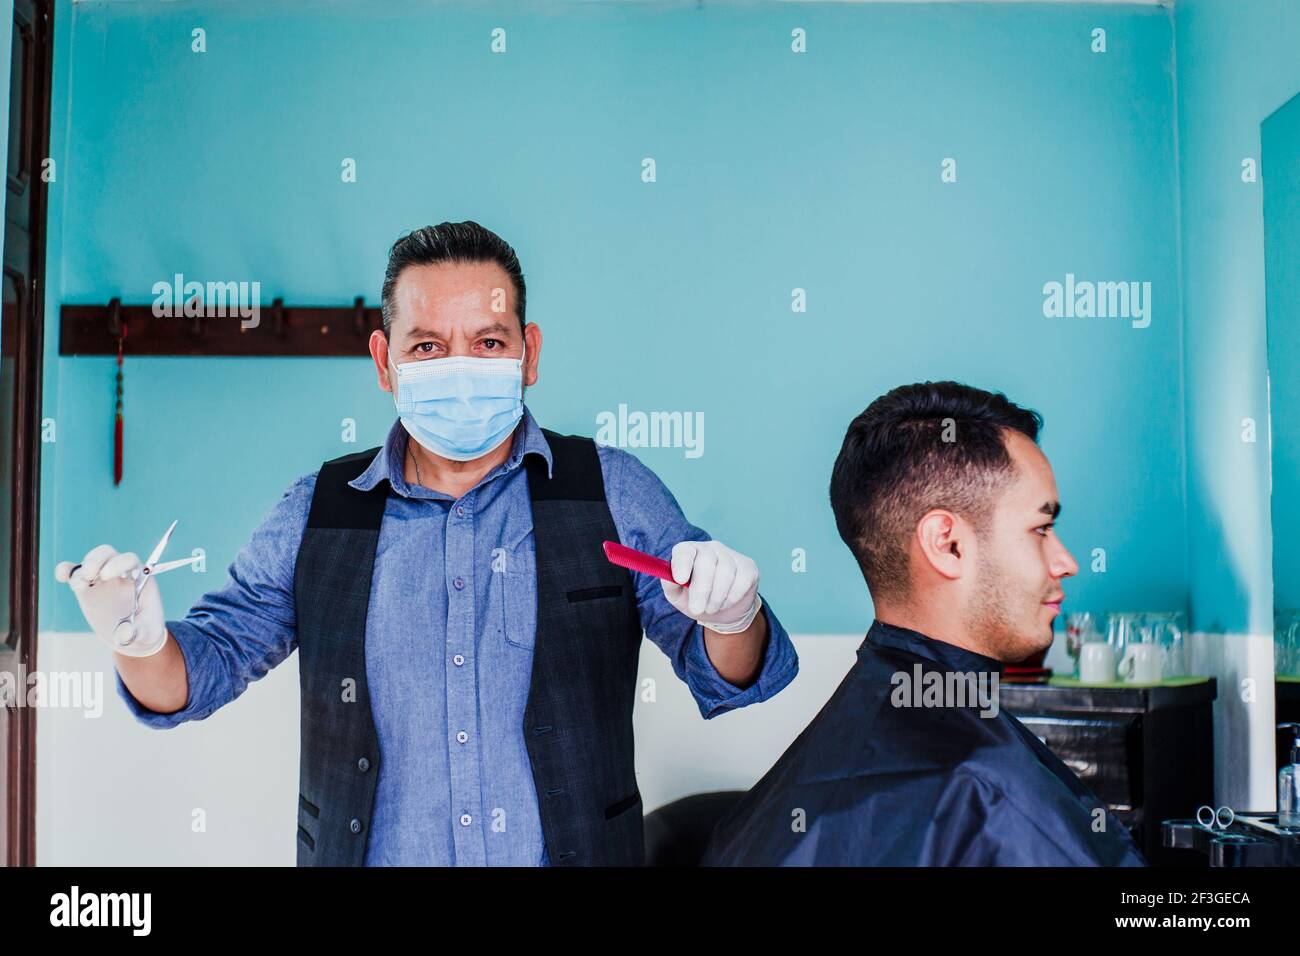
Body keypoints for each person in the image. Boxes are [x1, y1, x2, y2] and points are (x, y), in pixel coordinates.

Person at [56, 220, 799, 866]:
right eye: (428, 346)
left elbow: (728, 675)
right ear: (385, 362)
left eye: (488, 341)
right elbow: (197, 676)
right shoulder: (319, 513)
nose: (460, 368)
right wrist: (135, 637)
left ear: (529, 353)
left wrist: (734, 617)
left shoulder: (611, 491)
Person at [703, 381, 1145, 866]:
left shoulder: (768, 806)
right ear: (948, 544)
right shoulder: (991, 789)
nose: (1065, 561)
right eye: (1040, 529)